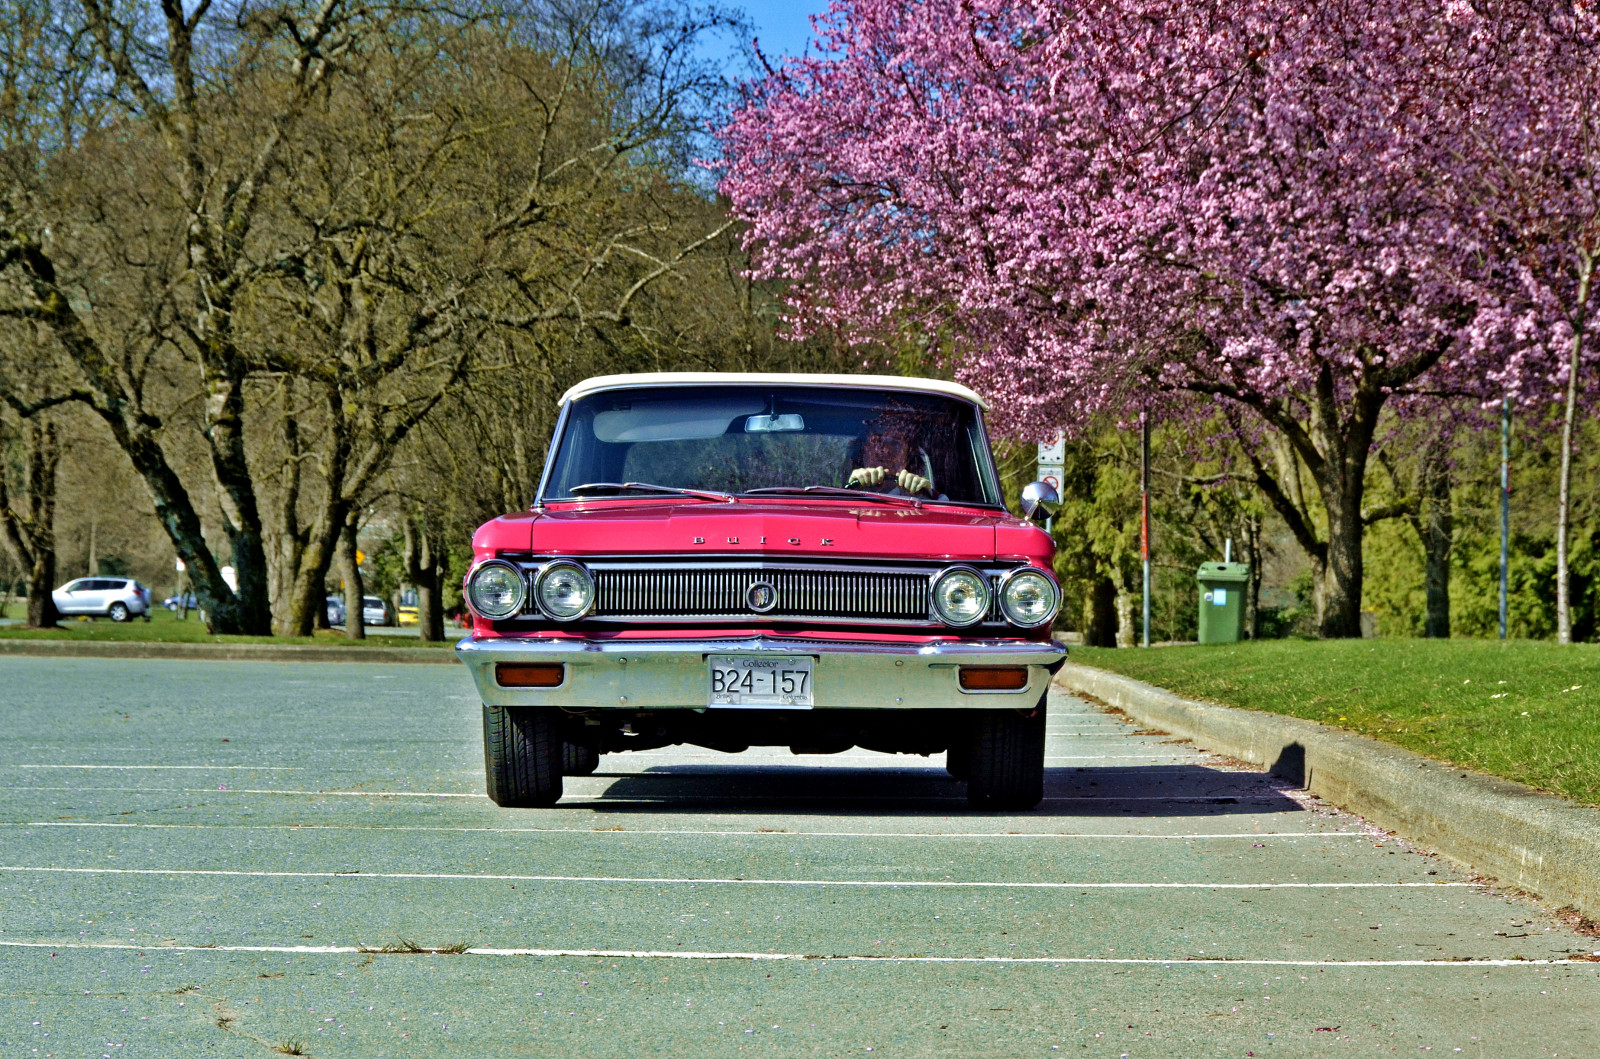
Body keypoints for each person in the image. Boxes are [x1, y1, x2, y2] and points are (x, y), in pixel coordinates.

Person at [846, 420, 938, 497]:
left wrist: (923, 494)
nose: (885, 450)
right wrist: (852, 488)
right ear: (862, 453)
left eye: (895, 443)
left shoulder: (929, 497)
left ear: (908, 456)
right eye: (876, 442)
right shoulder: (835, 494)